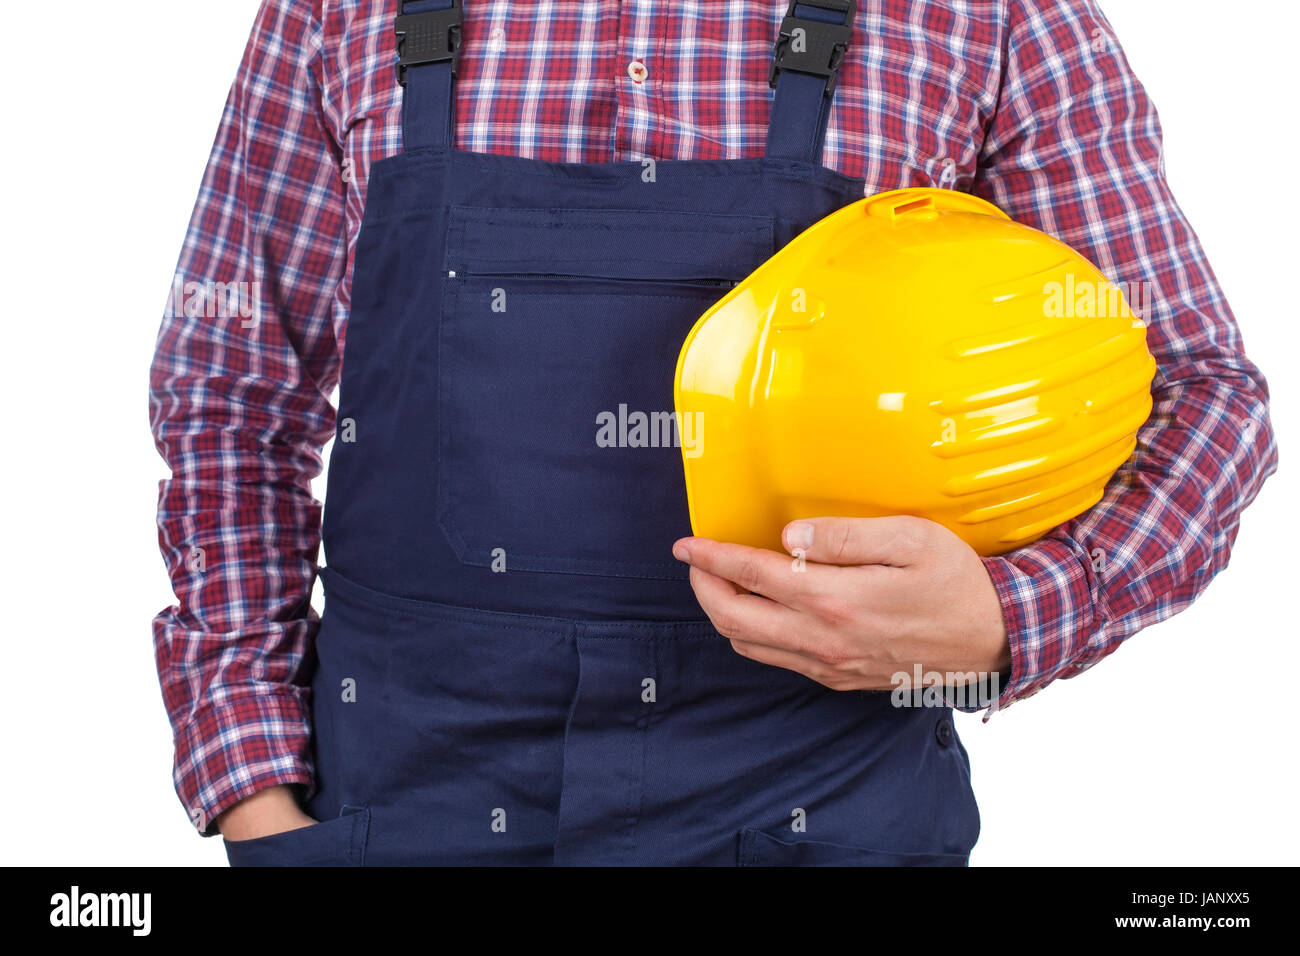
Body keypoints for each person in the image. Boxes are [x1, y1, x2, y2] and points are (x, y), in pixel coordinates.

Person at [149, 0, 1278, 866]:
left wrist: (1009, 618)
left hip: (816, 804)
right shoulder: (340, 11)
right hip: (398, 803)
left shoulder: (986, 17)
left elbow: (1198, 388)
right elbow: (231, 389)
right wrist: (251, 780)